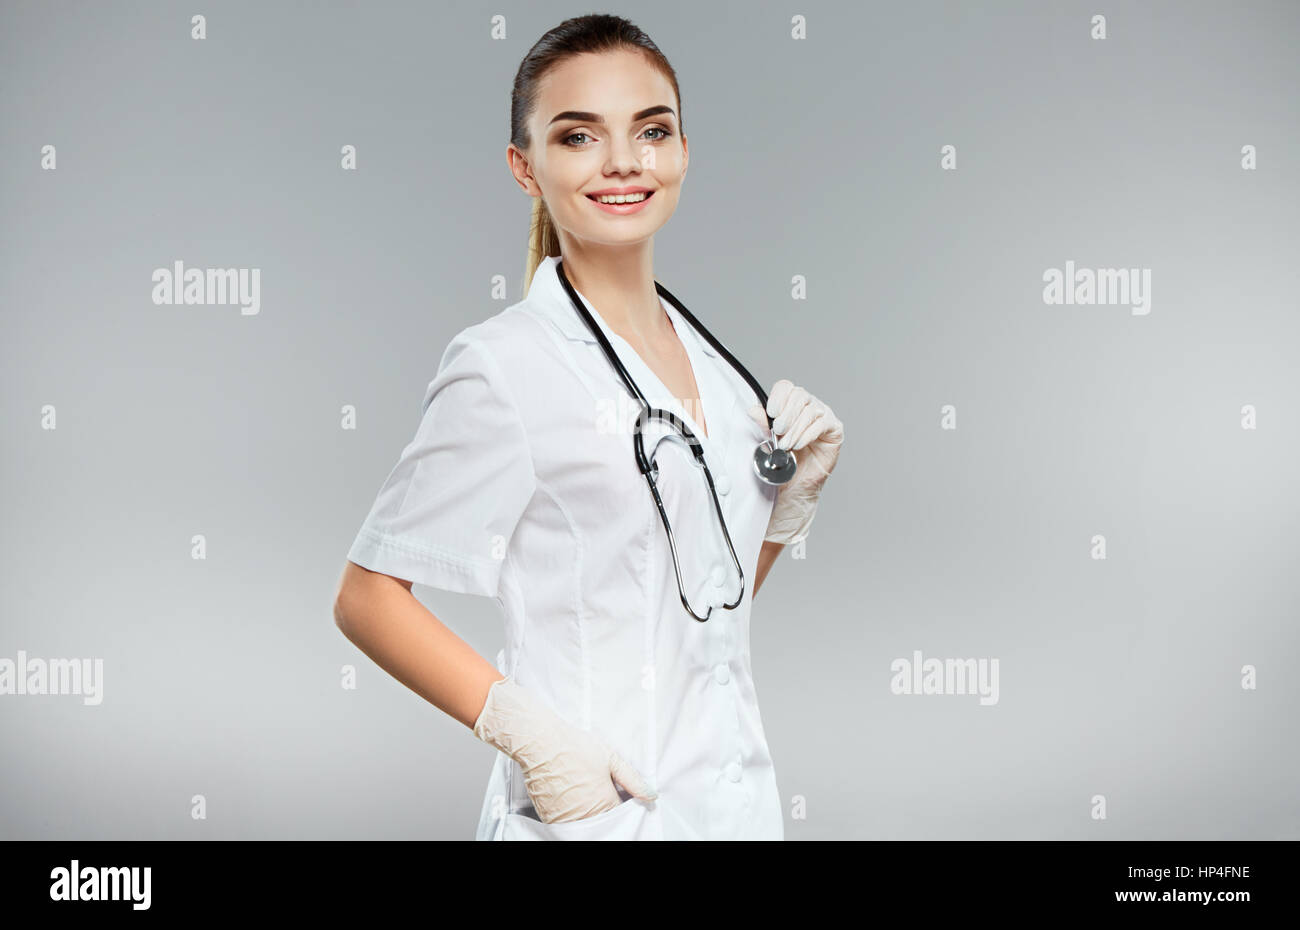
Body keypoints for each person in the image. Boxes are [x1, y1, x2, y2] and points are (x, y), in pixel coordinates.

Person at [332, 13, 844, 840]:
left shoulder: (720, 374)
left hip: (733, 807)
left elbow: (699, 609)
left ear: (682, 151)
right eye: (578, 136)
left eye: (652, 130)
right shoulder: (504, 366)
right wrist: (536, 744)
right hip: (592, 813)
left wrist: (789, 510)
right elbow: (365, 600)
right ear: (523, 167)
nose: (623, 163)